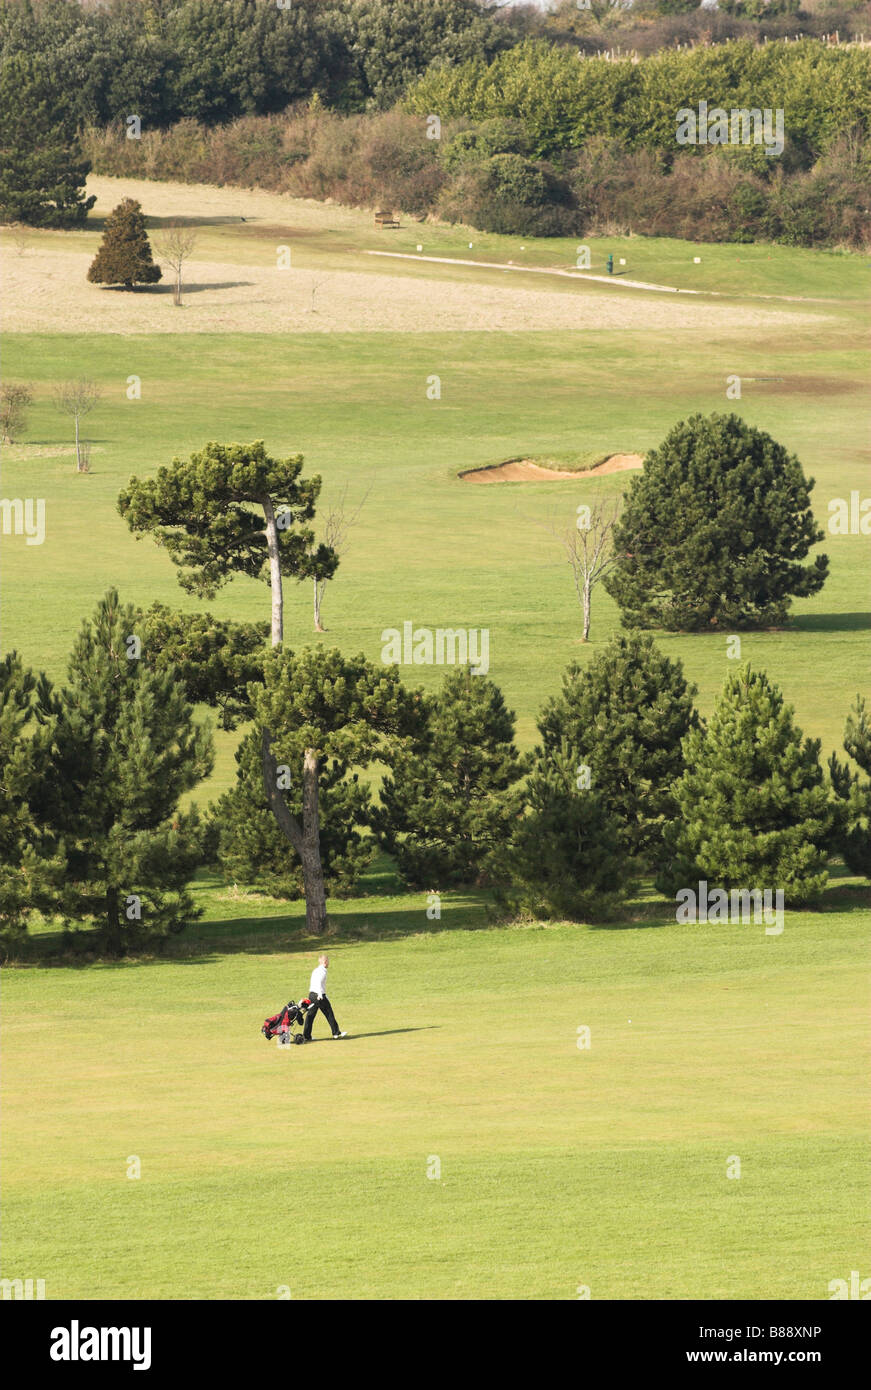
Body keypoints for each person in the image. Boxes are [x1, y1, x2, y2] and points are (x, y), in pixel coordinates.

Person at [302, 954, 347, 1041]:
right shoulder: (322, 971)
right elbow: (319, 983)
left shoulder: (315, 970)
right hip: (319, 996)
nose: (328, 963)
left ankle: (306, 1036)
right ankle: (336, 1033)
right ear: (325, 962)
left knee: (310, 1015)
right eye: (328, 961)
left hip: (311, 995)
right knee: (329, 1013)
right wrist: (320, 994)